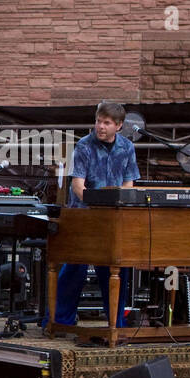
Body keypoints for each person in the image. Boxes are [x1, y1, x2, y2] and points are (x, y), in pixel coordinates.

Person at [51, 101, 138, 328]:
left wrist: (119, 203)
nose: (100, 126)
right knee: (75, 268)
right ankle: (60, 321)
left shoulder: (127, 147)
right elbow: (78, 186)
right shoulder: (83, 146)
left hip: (113, 219)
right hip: (84, 216)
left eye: (106, 123)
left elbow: (129, 182)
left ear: (118, 126)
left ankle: (115, 323)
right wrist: (99, 204)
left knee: (116, 268)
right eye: (98, 121)